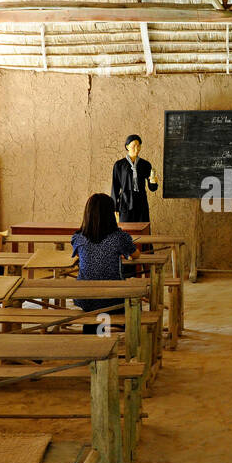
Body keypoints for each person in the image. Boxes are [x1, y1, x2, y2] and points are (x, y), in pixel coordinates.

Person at [71, 192, 139, 333]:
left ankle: (94, 341)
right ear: (110, 215)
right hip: (114, 298)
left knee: (95, 310)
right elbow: (135, 254)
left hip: (85, 298)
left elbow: (79, 254)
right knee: (131, 301)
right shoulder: (119, 237)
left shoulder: (78, 237)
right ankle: (129, 336)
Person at [111, 134, 159, 224]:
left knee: (142, 231)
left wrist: (153, 182)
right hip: (125, 203)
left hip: (141, 202)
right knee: (125, 231)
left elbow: (152, 188)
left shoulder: (145, 164)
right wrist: (114, 208)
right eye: (133, 146)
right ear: (127, 147)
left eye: (138, 146)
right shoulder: (119, 165)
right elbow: (115, 187)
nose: (136, 149)